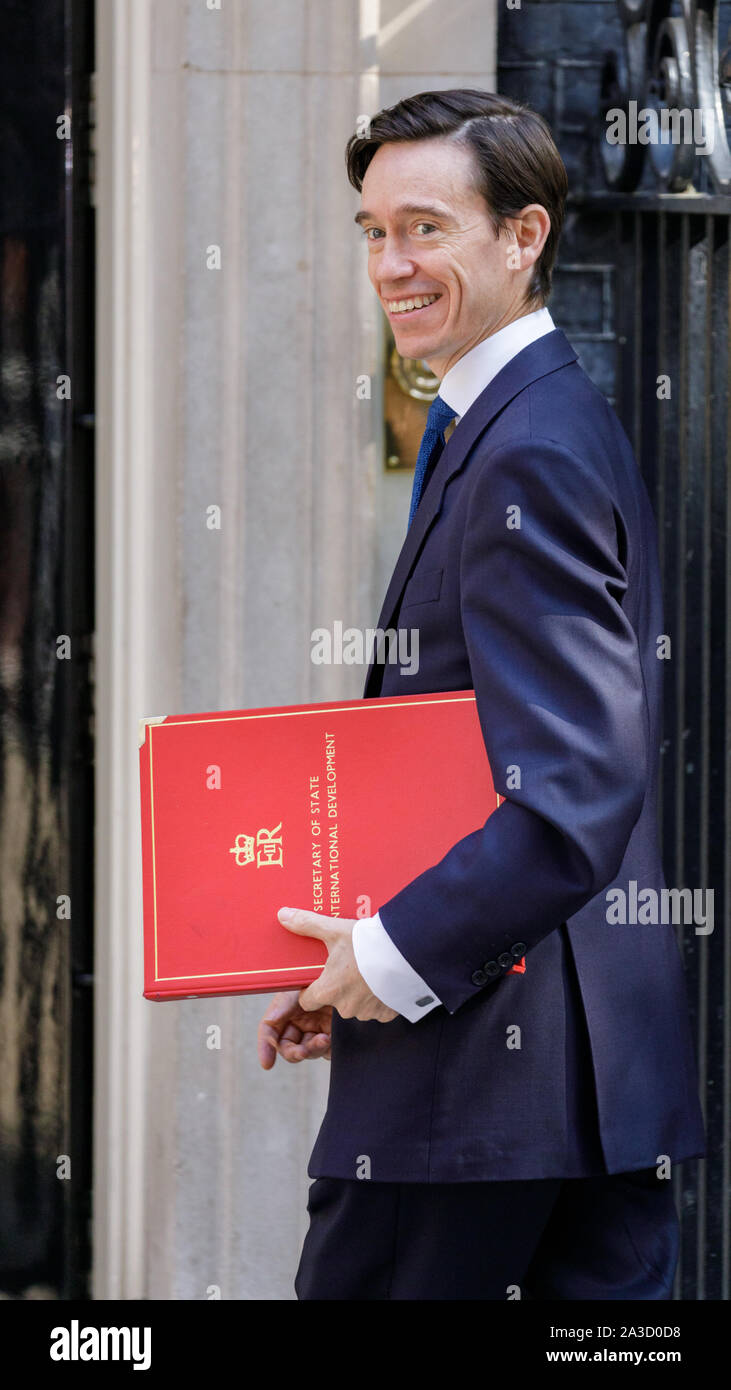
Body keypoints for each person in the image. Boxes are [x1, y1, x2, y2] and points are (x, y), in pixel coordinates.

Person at [257, 88, 706, 1300]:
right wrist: (358, 964)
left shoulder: (530, 450)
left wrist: (391, 959)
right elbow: (482, 762)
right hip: (551, 1086)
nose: (389, 265)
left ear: (523, 236)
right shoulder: (510, 422)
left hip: (486, 1101)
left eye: (423, 228)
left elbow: (568, 797)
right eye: (370, 231)